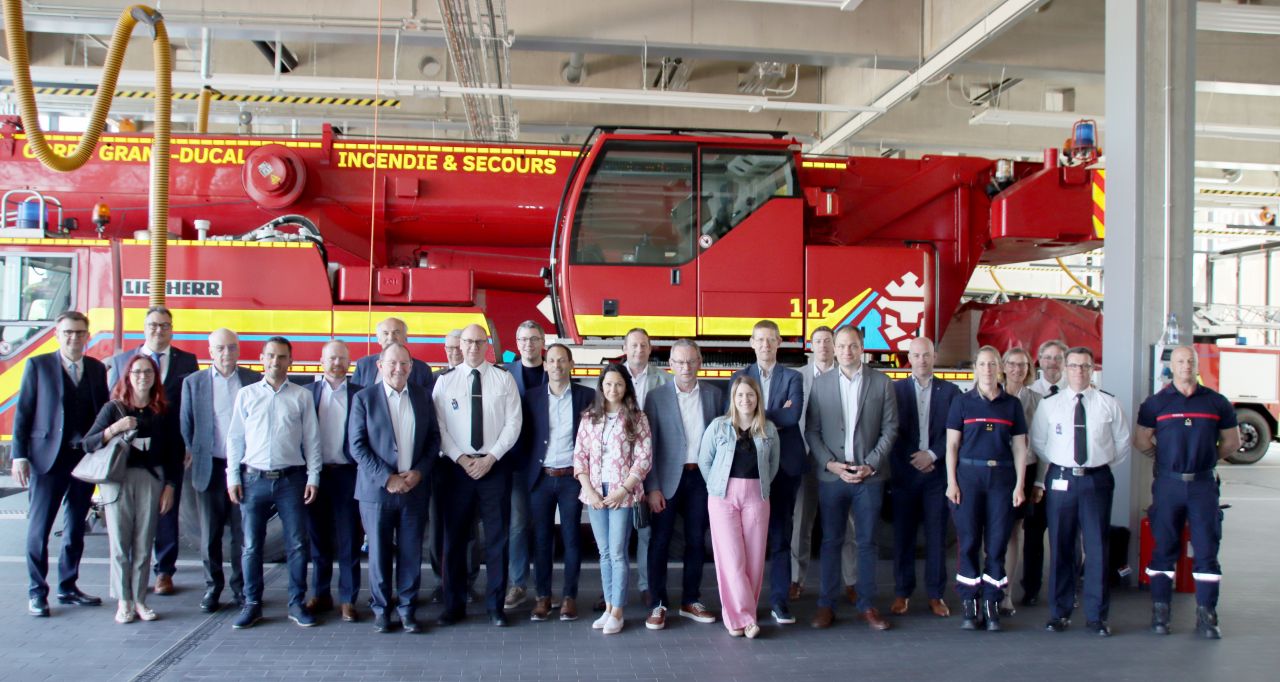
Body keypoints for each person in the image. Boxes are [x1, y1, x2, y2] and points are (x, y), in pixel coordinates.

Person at [1135, 345, 1239, 639]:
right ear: (1172, 365)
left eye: (1190, 361)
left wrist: (1207, 458)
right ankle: (1160, 612)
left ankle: (1207, 615)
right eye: (1180, 360)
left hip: (1203, 485)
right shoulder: (1156, 403)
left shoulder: (1216, 402)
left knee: (1207, 548)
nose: (1185, 365)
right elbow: (1141, 439)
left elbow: (1232, 441)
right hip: (1168, 484)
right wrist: (1165, 459)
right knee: (1164, 547)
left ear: (1196, 365)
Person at [12, 310, 109, 617]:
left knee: (75, 529)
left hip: (83, 461)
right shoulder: (37, 366)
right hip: (46, 460)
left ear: (87, 336)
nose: (74, 338)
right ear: (57, 334)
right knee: (39, 530)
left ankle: (68, 587)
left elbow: (102, 414)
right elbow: (23, 414)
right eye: (68, 332)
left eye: (80, 333)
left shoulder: (95, 368)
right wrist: (20, 455)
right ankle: (37, 592)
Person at [1030, 346, 1131, 636]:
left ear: (1092, 369)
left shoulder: (1108, 404)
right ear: (1065, 368)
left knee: (1097, 548)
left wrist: (1097, 465)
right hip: (1061, 479)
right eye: (1073, 366)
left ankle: (1097, 616)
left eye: (1085, 366)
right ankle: (1059, 613)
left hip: (1096, 481)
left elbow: (1122, 443)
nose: (1079, 371)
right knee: (1061, 546)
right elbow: (1040, 442)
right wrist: (1064, 464)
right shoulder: (1050, 405)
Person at [225, 336, 323, 629]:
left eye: (282, 357)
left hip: (291, 479)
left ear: (290, 361)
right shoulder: (246, 395)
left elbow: (312, 440)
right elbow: (235, 439)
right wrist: (233, 476)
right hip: (252, 478)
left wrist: (314, 477)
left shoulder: (302, 396)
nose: (276, 362)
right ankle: (252, 604)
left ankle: (296, 603)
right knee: (252, 546)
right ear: (261, 358)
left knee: (296, 545)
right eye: (270, 356)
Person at [805, 325, 897, 630]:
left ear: (862, 347)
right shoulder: (821, 385)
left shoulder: (882, 383)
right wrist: (830, 464)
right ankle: (826, 605)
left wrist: (871, 464)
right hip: (833, 478)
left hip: (869, 478)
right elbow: (813, 431)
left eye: (852, 346)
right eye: (841, 346)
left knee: (868, 542)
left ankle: (868, 605)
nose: (847, 351)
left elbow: (890, 430)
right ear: (834, 347)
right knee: (830, 541)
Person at [432, 324, 523, 627]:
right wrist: (461, 458)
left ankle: (496, 607)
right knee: (455, 540)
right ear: (460, 344)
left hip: (494, 468)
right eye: (467, 342)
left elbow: (513, 423)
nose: (472, 347)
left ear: (486, 344)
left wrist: (491, 457)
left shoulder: (503, 378)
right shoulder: (445, 382)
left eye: (478, 342)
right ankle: (453, 604)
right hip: (456, 470)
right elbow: (439, 426)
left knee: (497, 540)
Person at [107, 305, 199, 596]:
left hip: (169, 448)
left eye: (164, 325)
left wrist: (188, 443)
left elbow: (192, 406)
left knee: (166, 509)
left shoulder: (187, 361)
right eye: (153, 325)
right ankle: (132, 578)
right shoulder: (122, 360)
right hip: (128, 453)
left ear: (172, 329)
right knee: (129, 517)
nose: (159, 330)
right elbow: (112, 407)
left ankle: (164, 572)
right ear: (144, 329)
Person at [349, 342, 440, 633]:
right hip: (377, 492)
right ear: (380, 366)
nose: (398, 369)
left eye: (404, 364)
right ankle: (381, 609)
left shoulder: (424, 397)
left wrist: (419, 472)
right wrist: (387, 478)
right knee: (378, 553)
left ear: (411, 368)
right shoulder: (364, 399)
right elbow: (357, 446)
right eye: (392, 363)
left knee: (412, 552)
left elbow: (433, 441)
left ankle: (407, 609)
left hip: (414, 488)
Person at [83, 355, 181, 623]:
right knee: (119, 543)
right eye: (137, 372)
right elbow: (88, 443)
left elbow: (175, 452)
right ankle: (123, 601)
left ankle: (140, 600)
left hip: (151, 480)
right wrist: (114, 429)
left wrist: (170, 486)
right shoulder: (114, 409)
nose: (142, 376)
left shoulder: (163, 410)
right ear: (128, 376)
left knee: (142, 544)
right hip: (118, 480)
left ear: (155, 377)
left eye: (148, 372)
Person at [944, 346, 1028, 631]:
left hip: (1002, 480)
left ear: (999, 368)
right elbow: (952, 445)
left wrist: (1019, 484)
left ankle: (992, 602)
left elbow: (1020, 447)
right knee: (967, 542)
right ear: (975, 369)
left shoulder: (1012, 405)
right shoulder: (962, 403)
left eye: (993, 364)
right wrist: (951, 482)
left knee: (996, 544)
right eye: (982, 364)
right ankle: (970, 603)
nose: (988, 369)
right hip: (968, 478)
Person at [643, 339, 723, 630]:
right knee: (659, 542)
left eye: (691, 361)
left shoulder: (715, 395)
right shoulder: (656, 397)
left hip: (701, 479)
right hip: (665, 480)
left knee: (696, 542)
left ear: (700, 362)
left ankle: (691, 600)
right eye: (679, 361)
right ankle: (657, 603)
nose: (686, 367)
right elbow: (647, 445)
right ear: (671, 364)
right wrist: (651, 486)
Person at [181, 329, 261, 613]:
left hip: (244, 468)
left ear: (239, 351)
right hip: (211, 468)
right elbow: (187, 426)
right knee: (210, 535)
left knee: (244, 535)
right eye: (221, 348)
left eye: (232, 348)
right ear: (210, 351)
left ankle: (242, 590)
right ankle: (213, 588)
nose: (227, 354)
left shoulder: (252, 379)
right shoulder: (194, 383)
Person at [732, 320, 805, 625]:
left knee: (780, 536)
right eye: (760, 340)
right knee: (748, 539)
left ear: (779, 343)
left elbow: (793, 415)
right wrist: (772, 413)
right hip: (750, 471)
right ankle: (746, 601)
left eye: (771, 340)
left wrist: (755, 413)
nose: (765, 345)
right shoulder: (740, 377)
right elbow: (737, 417)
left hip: (786, 467)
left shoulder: (794, 377)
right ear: (752, 342)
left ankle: (778, 601)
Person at [573, 364, 653, 635]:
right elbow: (579, 456)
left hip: (623, 494)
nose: (613, 389)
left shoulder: (637, 418)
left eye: (618, 384)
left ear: (626, 387)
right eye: (608, 384)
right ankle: (608, 607)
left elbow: (644, 458)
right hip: (595, 492)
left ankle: (618, 611)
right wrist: (590, 489)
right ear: (601, 387)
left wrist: (624, 489)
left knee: (618, 553)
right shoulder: (589, 417)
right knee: (604, 553)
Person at [699, 375, 780, 639]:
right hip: (723, 497)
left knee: (754, 559)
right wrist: (718, 487)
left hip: (757, 495)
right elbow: (705, 462)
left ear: (758, 399)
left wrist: (759, 487)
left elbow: (773, 465)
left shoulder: (768, 429)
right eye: (740, 395)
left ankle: (744, 616)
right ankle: (742, 619)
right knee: (731, 559)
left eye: (750, 395)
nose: (745, 400)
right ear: (733, 399)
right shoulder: (719, 426)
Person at [889, 337, 961, 618]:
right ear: (909, 357)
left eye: (927, 355)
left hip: (937, 476)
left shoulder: (951, 391)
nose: (922, 360)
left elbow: (954, 432)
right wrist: (915, 457)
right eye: (916, 355)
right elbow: (890, 429)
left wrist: (931, 455)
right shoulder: (894, 390)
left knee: (936, 537)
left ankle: (936, 595)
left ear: (935, 356)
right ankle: (902, 593)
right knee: (903, 537)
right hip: (904, 475)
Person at [523, 344, 595, 622]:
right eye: (551, 361)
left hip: (572, 479)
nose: (556, 366)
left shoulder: (587, 397)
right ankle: (543, 597)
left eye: (561, 360)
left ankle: (569, 597)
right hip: (541, 478)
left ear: (571, 363)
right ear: (545, 365)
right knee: (541, 540)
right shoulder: (531, 398)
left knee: (571, 538)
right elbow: (525, 437)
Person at [792, 326, 857, 604]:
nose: (823, 346)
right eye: (817, 341)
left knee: (847, 523)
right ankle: (797, 579)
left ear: (835, 345)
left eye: (828, 341)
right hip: (806, 459)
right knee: (801, 523)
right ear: (811, 345)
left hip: (840, 461)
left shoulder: (846, 375)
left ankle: (852, 581)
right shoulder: (797, 377)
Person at [305, 340, 364, 622]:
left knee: (350, 539)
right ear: (321, 360)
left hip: (348, 474)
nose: (337, 363)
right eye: (332, 358)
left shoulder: (361, 395)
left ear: (349, 362)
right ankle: (320, 593)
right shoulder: (306, 394)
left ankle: (348, 600)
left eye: (342, 358)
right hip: (316, 475)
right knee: (318, 538)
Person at [504, 320, 548, 611]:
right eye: (523, 339)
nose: (528, 344)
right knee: (518, 526)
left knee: (545, 530)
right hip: (519, 463)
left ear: (542, 341)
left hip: (550, 463)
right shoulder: (505, 373)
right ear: (517, 343)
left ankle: (546, 591)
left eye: (533, 339)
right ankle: (517, 584)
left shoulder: (555, 369)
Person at [622, 327, 667, 607]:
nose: (639, 350)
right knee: (618, 534)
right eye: (634, 345)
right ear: (625, 348)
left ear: (651, 349)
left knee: (645, 531)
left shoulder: (663, 380)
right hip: (617, 468)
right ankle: (611, 591)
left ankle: (646, 585)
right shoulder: (614, 378)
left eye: (644, 345)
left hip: (648, 466)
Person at [1022, 339, 1066, 605]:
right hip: (1036, 475)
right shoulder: (1029, 393)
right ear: (1039, 360)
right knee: (1033, 534)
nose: (1052, 363)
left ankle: (1064, 589)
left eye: (1057, 358)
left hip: (1064, 474)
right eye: (1047, 358)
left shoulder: (1075, 393)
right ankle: (1031, 588)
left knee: (1065, 535)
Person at [1000, 347, 1043, 615]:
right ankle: (991, 585)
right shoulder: (990, 393)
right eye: (1012, 364)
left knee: (1015, 531)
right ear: (1003, 366)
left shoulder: (1038, 401)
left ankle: (1006, 594)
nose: (1017, 369)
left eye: (1023, 365)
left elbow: (1042, 445)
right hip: (993, 472)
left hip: (1024, 472)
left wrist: (1039, 481)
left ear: (1029, 369)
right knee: (992, 532)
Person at [351, 316, 434, 390]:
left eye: (396, 332)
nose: (391, 337)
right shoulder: (363, 365)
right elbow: (354, 398)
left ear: (406, 338)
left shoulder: (423, 370)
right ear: (379, 339)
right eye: (386, 333)